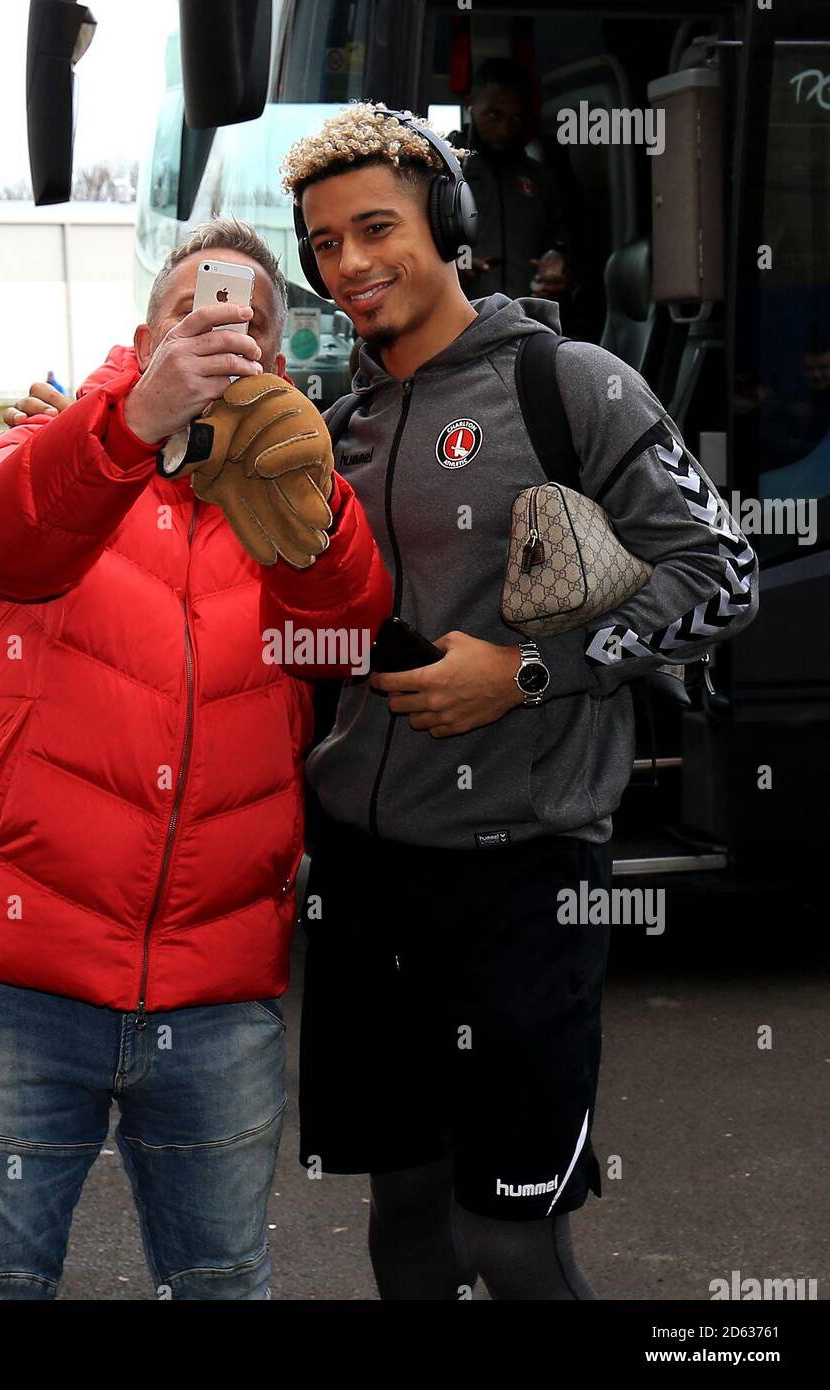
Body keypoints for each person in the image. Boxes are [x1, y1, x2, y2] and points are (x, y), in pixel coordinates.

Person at [276, 102, 758, 1300]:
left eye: (376, 228)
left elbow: (724, 576)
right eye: (325, 244)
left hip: (518, 879)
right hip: (365, 878)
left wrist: (529, 670)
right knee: (404, 1224)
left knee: (509, 1240)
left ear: (448, 226)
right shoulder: (341, 427)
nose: (350, 264)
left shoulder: (567, 383)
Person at [0, 218, 390, 1301]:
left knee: (221, 1282)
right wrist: (129, 428)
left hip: (216, 988)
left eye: (250, 324)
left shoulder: (289, 471)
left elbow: (346, 631)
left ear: (275, 355)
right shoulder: (53, 441)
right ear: (144, 333)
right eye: (195, 308)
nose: (220, 334)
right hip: (18, 978)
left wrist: (308, 491)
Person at [454, 58, 572, 305]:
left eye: (516, 118)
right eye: (494, 115)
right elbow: (417, 248)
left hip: (528, 325)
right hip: (461, 323)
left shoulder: (542, 180)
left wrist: (559, 267)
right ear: (470, 105)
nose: (505, 129)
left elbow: (561, 243)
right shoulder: (446, 171)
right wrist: (455, 267)